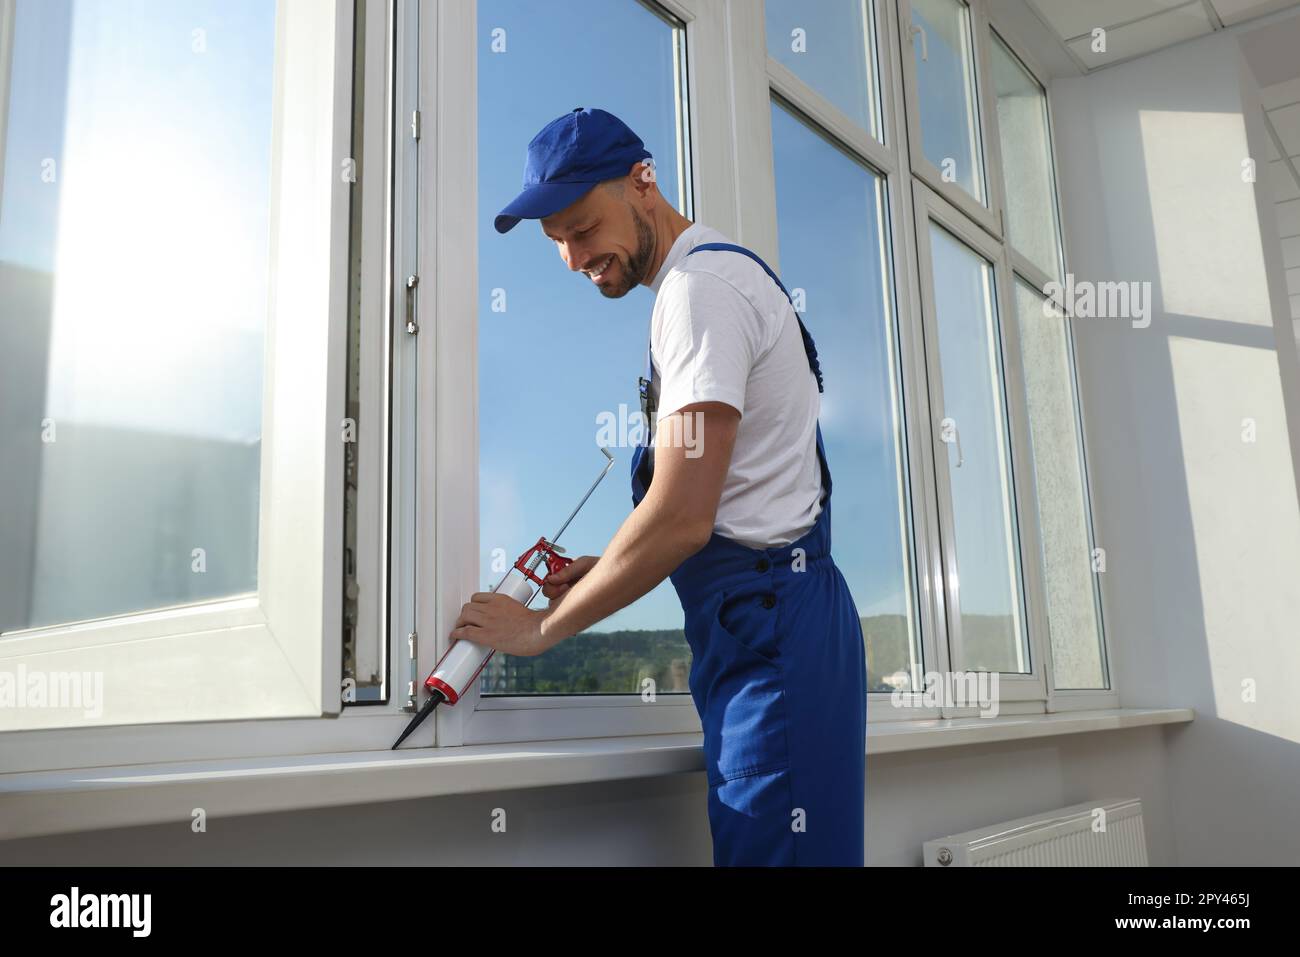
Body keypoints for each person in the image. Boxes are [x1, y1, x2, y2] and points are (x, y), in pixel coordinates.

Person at [452, 107, 866, 866]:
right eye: (557, 243)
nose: (574, 259)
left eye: (582, 227)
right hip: (773, 629)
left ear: (643, 181)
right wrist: (606, 564)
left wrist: (541, 629)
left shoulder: (697, 293)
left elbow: (680, 518)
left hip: (775, 635)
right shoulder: (706, 282)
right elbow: (709, 499)